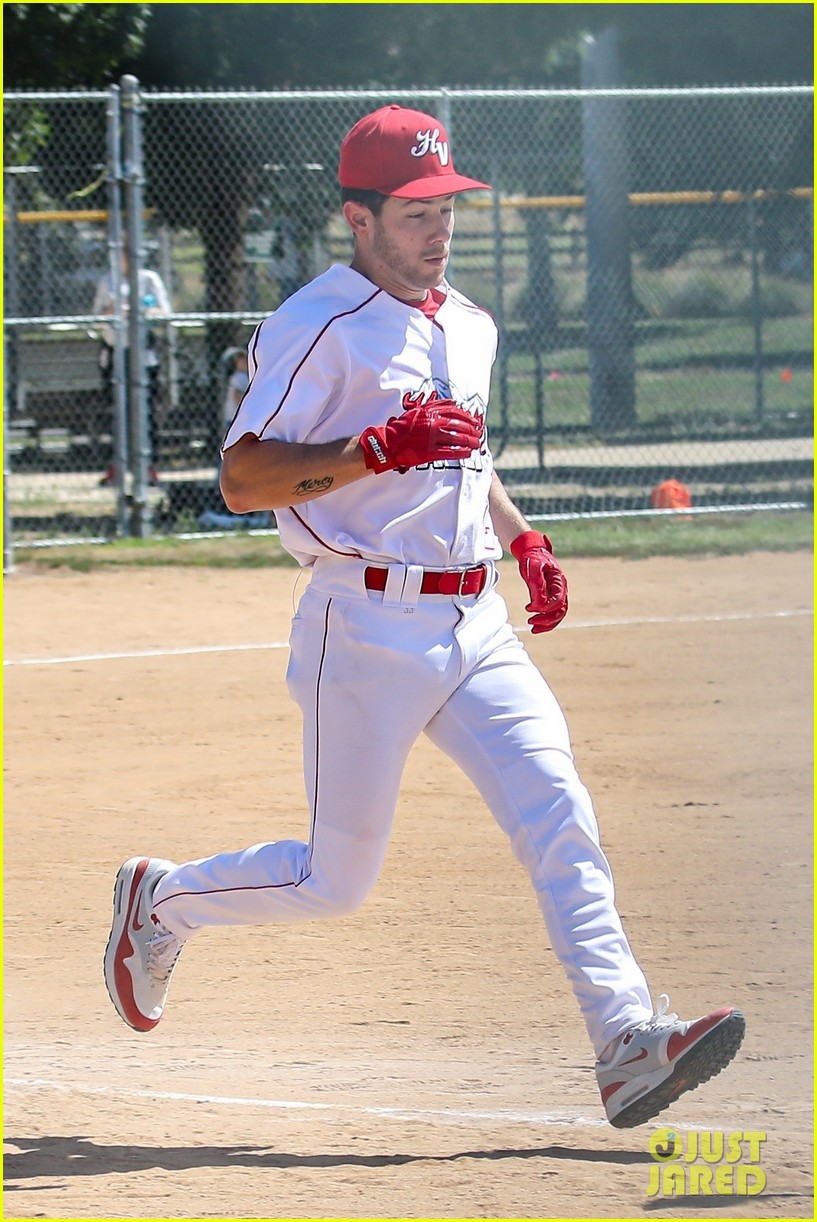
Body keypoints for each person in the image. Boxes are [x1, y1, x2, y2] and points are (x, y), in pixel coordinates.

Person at [104, 105, 745, 1129]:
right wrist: (369, 452)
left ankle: (625, 1042)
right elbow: (238, 477)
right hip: (361, 626)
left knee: (559, 813)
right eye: (412, 211)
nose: (436, 228)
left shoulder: (469, 323)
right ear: (357, 218)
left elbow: (460, 455)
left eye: (444, 205)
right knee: (334, 880)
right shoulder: (317, 323)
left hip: (473, 621)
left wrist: (523, 537)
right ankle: (161, 900)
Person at [94, 250, 171, 486]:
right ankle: (115, 466)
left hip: (143, 355)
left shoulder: (149, 279)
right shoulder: (108, 281)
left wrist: (138, 311)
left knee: (146, 411)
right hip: (116, 352)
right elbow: (97, 317)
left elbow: (164, 311)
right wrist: (113, 309)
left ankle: (148, 467)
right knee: (115, 411)